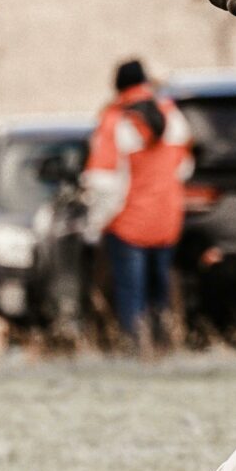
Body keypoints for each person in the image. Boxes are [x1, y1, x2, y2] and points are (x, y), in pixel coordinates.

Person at [83, 60, 192, 349]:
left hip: (128, 224)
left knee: (131, 294)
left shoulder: (115, 121)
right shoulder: (173, 117)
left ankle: (134, 350)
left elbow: (102, 182)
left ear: (118, 86)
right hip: (167, 221)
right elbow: (184, 168)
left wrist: (95, 225)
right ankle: (163, 348)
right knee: (160, 292)